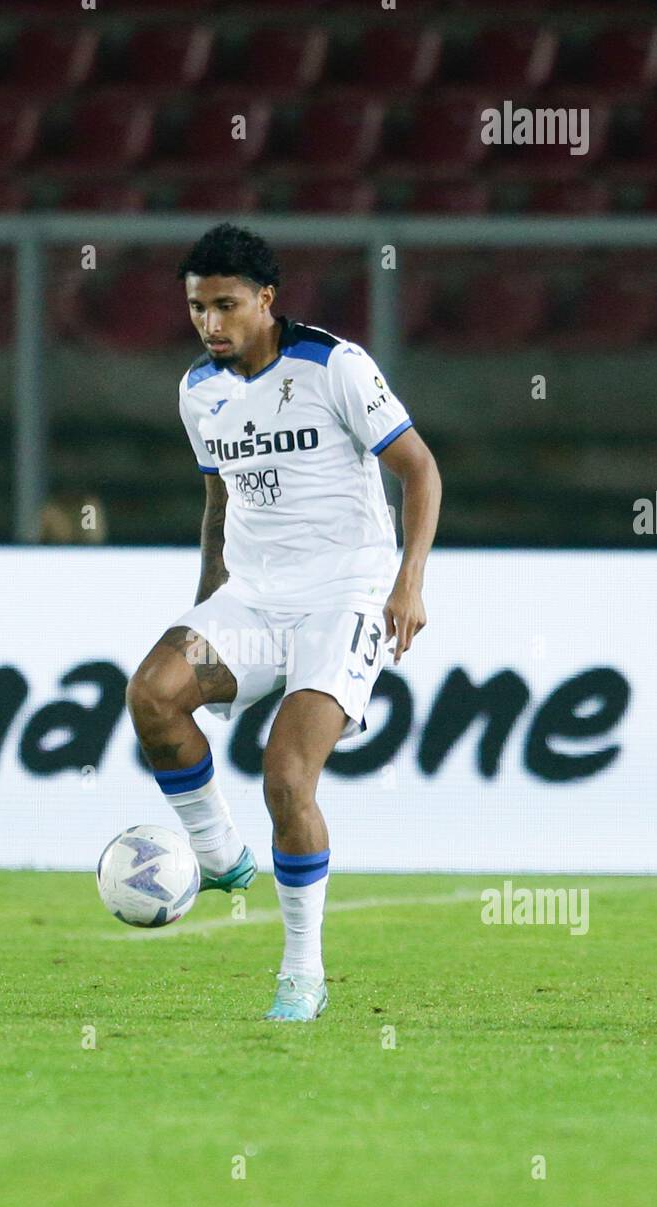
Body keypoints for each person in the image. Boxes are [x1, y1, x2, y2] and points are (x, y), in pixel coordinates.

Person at [126, 223, 441, 1021]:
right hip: (252, 599)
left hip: (346, 596)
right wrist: (205, 601)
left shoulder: (334, 365)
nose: (210, 324)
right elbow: (218, 502)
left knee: (287, 777)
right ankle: (218, 854)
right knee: (152, 698)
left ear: (266, 300)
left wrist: (410, 583)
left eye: (226, 305)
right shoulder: (200, 390)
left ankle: (303, 972)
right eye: (197, 307)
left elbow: (420, 469)